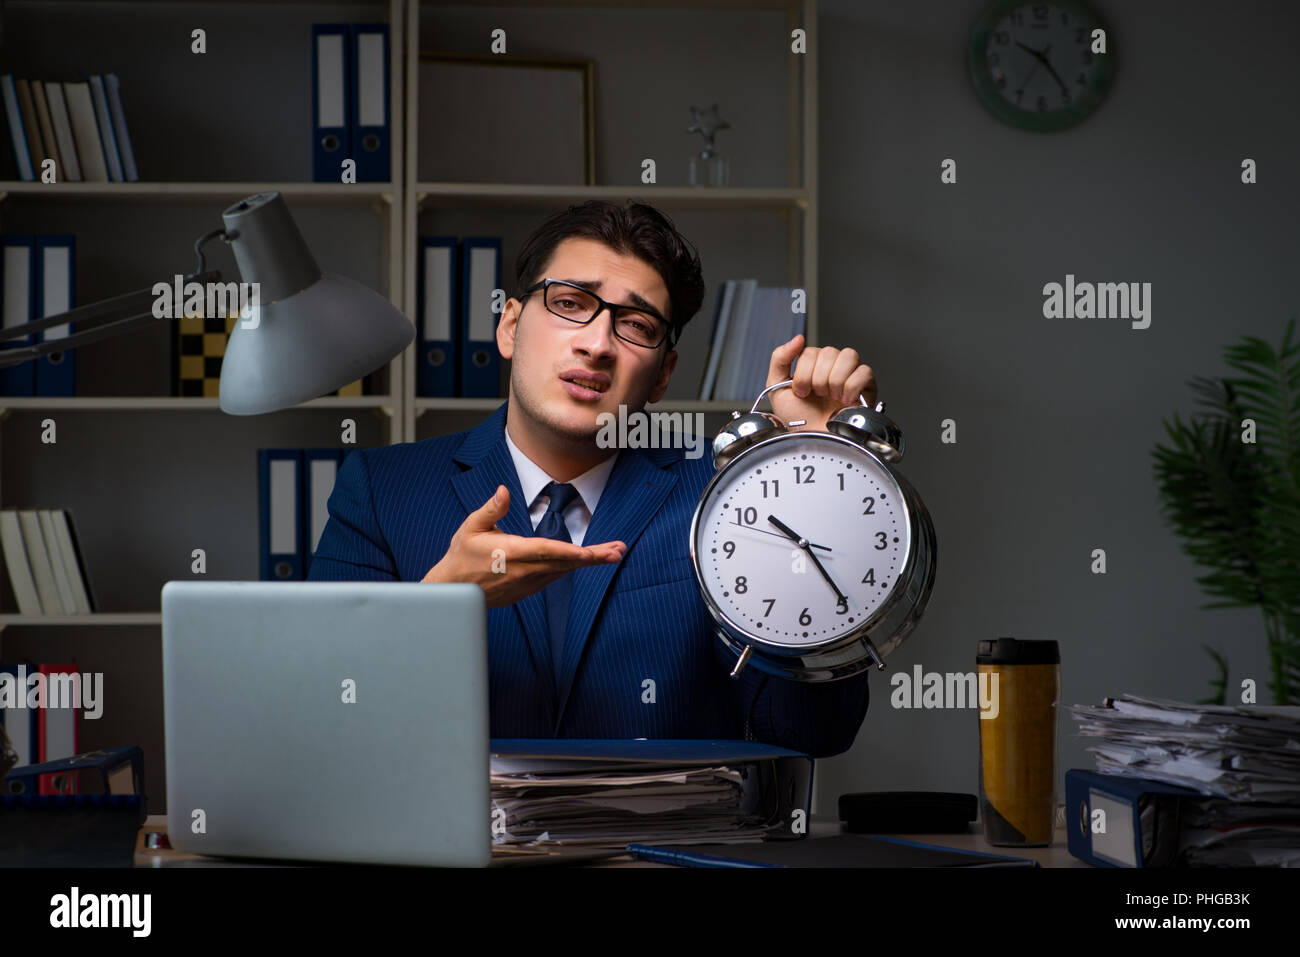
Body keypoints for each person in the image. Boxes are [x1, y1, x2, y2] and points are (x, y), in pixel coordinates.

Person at [308, 200, 877, 757]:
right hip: (458, 850)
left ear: (663, 376)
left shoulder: (727, 496)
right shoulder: (382, 491)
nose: (598, 343)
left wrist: (816, 475)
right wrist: (437, 608)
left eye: (635, 324)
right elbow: (322, 719)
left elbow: (809, 732)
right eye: (570, 302)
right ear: (509, 326)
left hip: (662, 850)